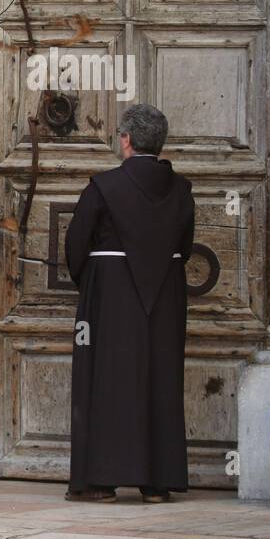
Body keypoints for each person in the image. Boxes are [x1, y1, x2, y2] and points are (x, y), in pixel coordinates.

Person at [66, 104, 195, 504]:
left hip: (109, 298)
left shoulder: (102, 187)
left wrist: (91, 281)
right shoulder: (183, 189)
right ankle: (156, 485)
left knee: (107, 381)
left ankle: (102, 482)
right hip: (165, 297)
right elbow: (185, 247)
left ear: (125, 140)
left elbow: (75, 245)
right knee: (160, 379)